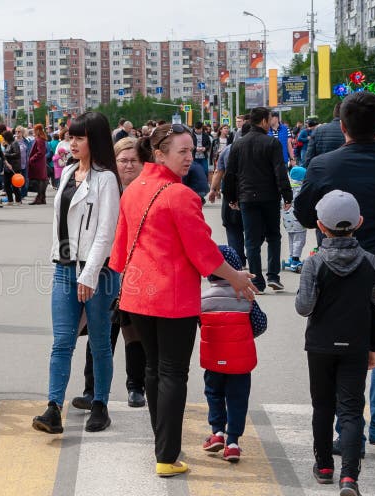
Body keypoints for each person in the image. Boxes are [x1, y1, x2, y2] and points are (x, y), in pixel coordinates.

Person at [109, 123, 257, 477]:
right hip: (171, 298)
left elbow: (120, 249)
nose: (191, 158)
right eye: (183, 152)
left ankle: (163, 445)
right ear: (159, 153)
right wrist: (235, 277)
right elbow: (203, 252)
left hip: (135, 295)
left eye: (193, 151)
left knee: (153, 370)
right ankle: (167, 455)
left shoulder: (133, 189)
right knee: (173, 373)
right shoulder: (180, 195)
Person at [294, 91, 375, 453]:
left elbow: (305, 214)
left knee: (342, 347)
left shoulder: (325, 165)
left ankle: (346, 433)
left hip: (333, 273)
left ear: (342, 126)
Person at [295, 190, 375, 496]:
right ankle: (350, 476)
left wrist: (310, 279)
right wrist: (374, 345)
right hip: (357, 345)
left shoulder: (315, 262)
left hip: (320, 345)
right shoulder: (370, 262)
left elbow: (304, 308)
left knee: (323, 406)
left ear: (320, 226)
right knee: (350, 410)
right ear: (359, 222)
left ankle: (323, 466)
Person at [32, 112, 121, 435]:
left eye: (79, 138)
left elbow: (105, 232)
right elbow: (62, 225)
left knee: (99, 342)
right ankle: (53, 407)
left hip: (98, 272)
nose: (71, 143)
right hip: (65, 268)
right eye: (70, 137)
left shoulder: (107, 179)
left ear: (93, 141)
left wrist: (90, 274)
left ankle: (100, 404)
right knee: (62, 341)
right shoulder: (68, 172)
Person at [72, 135, 151, 411]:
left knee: (133, 332)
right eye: (123, 160)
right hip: (106, 270)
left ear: (143, 164)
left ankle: (135, 387)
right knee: (100, 332)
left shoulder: (146, 191)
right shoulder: (106, 188)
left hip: (137, 272)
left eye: (134, 161)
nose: (129, 166)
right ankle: (91, 390)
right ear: (114, 162)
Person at [201, 245, 267, 462]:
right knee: (237, 399)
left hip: (213, 360)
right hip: (240, 362)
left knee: (214, 393)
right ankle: (233, 443)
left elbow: (202, 326)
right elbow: (260, 324)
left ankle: (217, 432)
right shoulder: (246, 296)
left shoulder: (204, 299)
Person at [224, 107, 292, 292]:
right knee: (273, 236)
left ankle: (257, 281)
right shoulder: (272, 143)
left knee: (251, 240)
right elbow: (280, 171)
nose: (271, 122)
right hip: (269, 197)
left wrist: (230, 196)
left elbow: (230, 173)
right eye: (269, 119)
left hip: (246, 197)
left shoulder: (238, 144)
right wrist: (287, 194)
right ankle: (273, 276)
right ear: (263, 121)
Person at [207, 124, 248, 269]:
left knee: (232, 227)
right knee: (252, 228)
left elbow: (219, 172)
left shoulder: (228, 150)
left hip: (231, 193)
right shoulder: (263, 146)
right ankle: (252, 256)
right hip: (254, 193)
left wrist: (213, 189)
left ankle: (239, 260)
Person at [303, 103, 345, 168]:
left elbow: (309, 158)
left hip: (322, 172)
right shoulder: (352, 131)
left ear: (334, 114)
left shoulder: (318, 131)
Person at [282, 166, 307, 272]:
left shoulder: (287, 189)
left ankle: (292, 257)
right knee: (300, 240)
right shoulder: (302, 189)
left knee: (292, 239)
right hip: (299, 220)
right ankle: (295, 259)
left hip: (287, 220)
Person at [27, 124, 49, 204]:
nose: (33, 131)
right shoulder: (41, 139)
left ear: (37, 130)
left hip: (38, 163)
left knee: (40, 180)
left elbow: (41, 152)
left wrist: (32, 158)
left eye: (34, 129)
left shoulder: (39, 139)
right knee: (42, 180)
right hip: (40, 162)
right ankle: (42, 198)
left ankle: (39, 198)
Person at [1, 130, 23, 205]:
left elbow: (17, 154)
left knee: (15, 184)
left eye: (4, 137)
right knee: (6, 184)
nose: (3, 139)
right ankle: (10, 200)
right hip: (8, 168)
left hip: (14, 167)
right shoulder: (8, 144)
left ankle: (18, 200)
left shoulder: (14, 143)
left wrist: (6, 154)